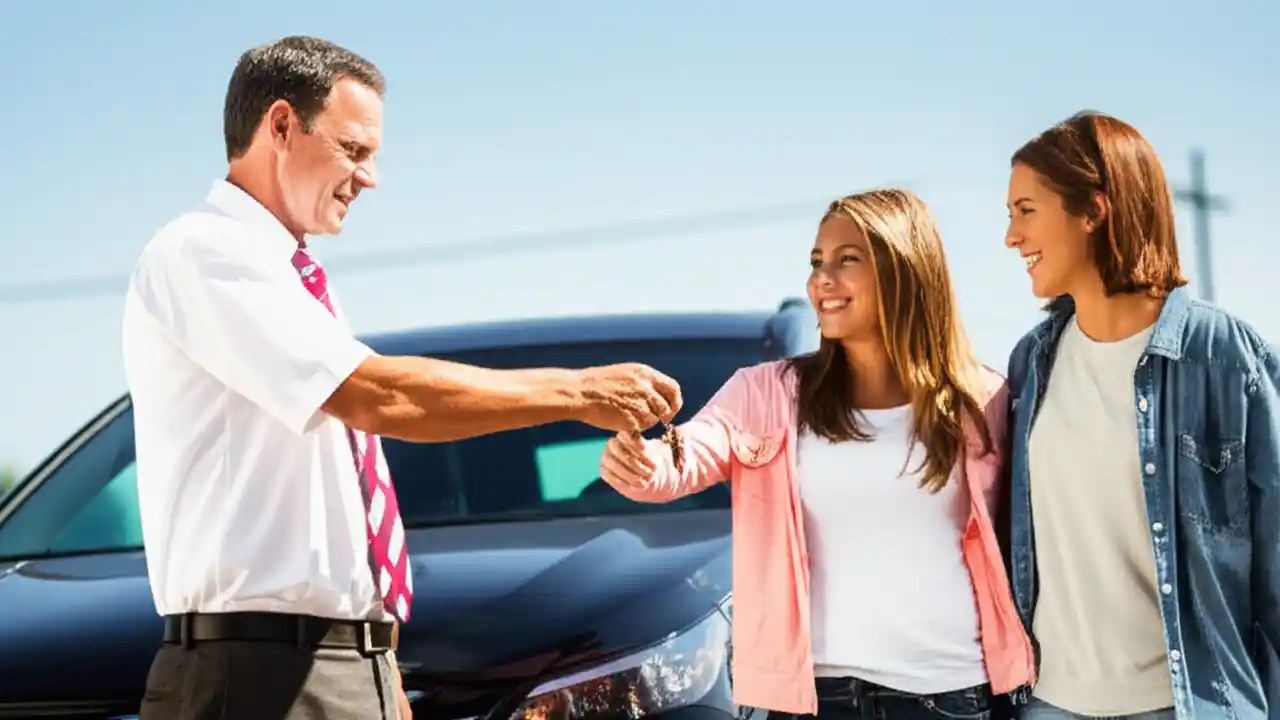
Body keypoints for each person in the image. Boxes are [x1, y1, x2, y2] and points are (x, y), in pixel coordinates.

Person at [121, 36, 682, 720]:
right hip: (262, 678)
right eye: (354, 150)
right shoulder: (204, 252)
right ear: (280, 126)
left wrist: (374, 667)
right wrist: (578, 393)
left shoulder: (287, 277)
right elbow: (378, 394)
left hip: (341, 669)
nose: (371, 177)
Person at [598, 189, 1037, 719]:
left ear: (904, 269)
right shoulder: (767, 393)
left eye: (846, 260)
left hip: (951, 698)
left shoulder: (983, 400)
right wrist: (643, 462)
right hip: (815, 701)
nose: (821, 281)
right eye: (816, 263)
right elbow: (688, 455)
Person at [1002, 110, 1279, 720]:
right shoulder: (1033, 363)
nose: (1011, 237)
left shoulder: (1226, 357)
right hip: (1048, 703)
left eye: (1025, 210)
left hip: (1187, 706)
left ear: (1093, 210)